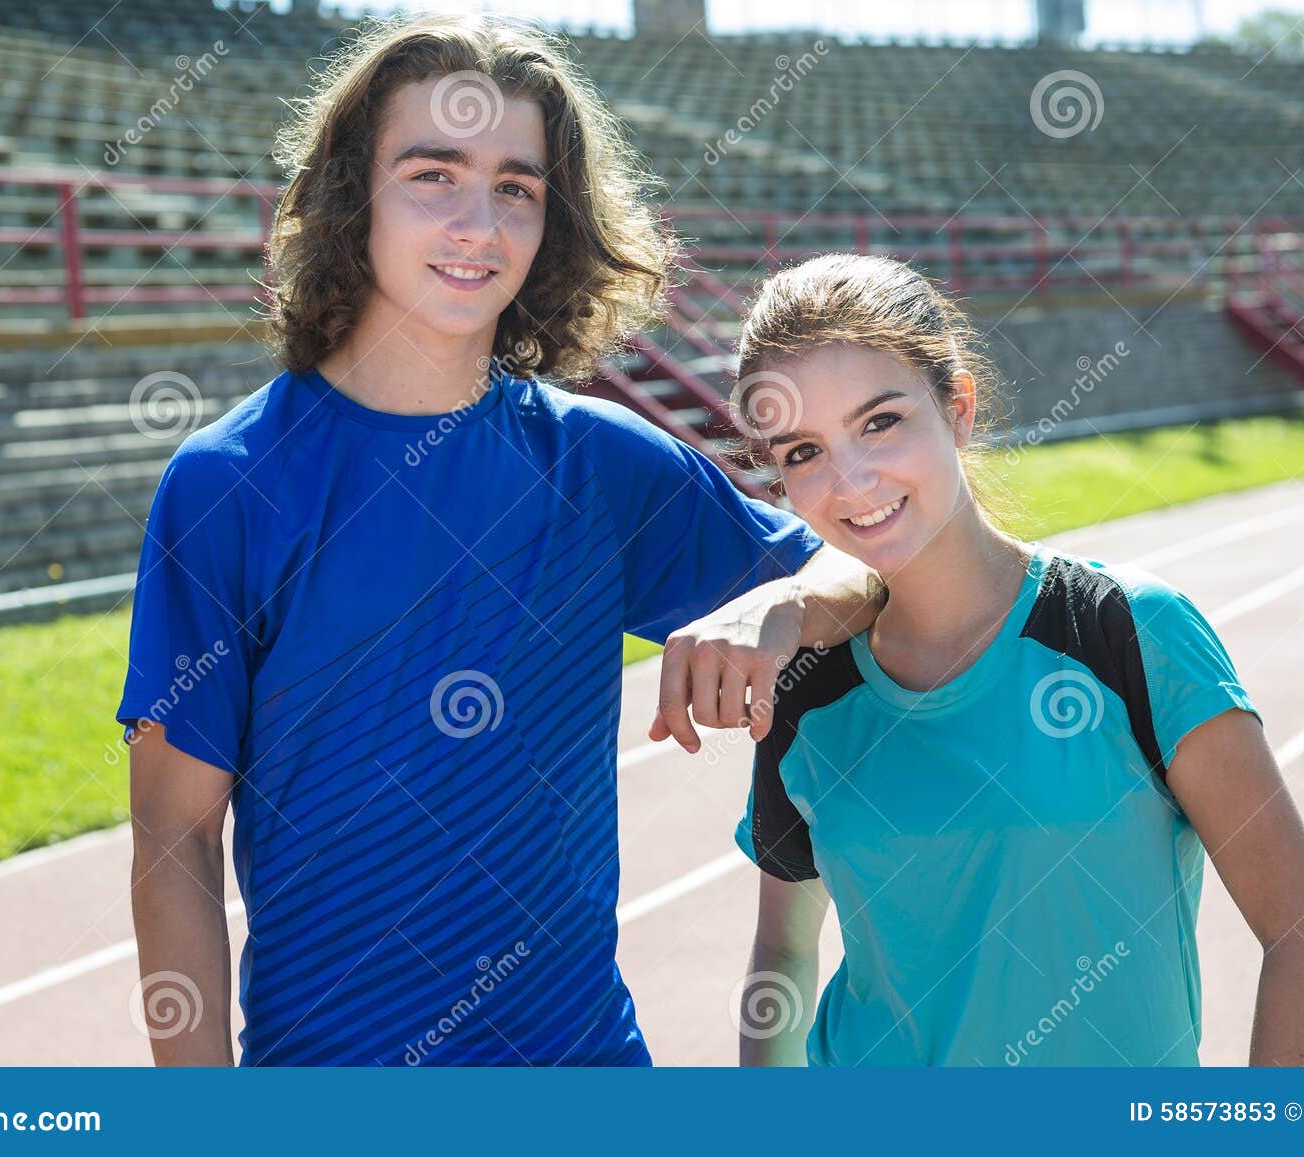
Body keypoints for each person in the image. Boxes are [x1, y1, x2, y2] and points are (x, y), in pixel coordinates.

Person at [118, 15, 882, 1067]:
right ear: (355, 194)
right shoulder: (227, 483)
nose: (479, 223)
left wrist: (774, 603)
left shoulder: (600, 463)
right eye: (434, 174)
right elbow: (172, 834)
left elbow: (865, 570)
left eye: (516, 187)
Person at [729, 252, 1304, 1067]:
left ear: (958, 408)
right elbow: (784, 953)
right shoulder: (806, 687)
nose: (850, 481)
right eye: (802, 451)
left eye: (880, 421)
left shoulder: (1131, 634)